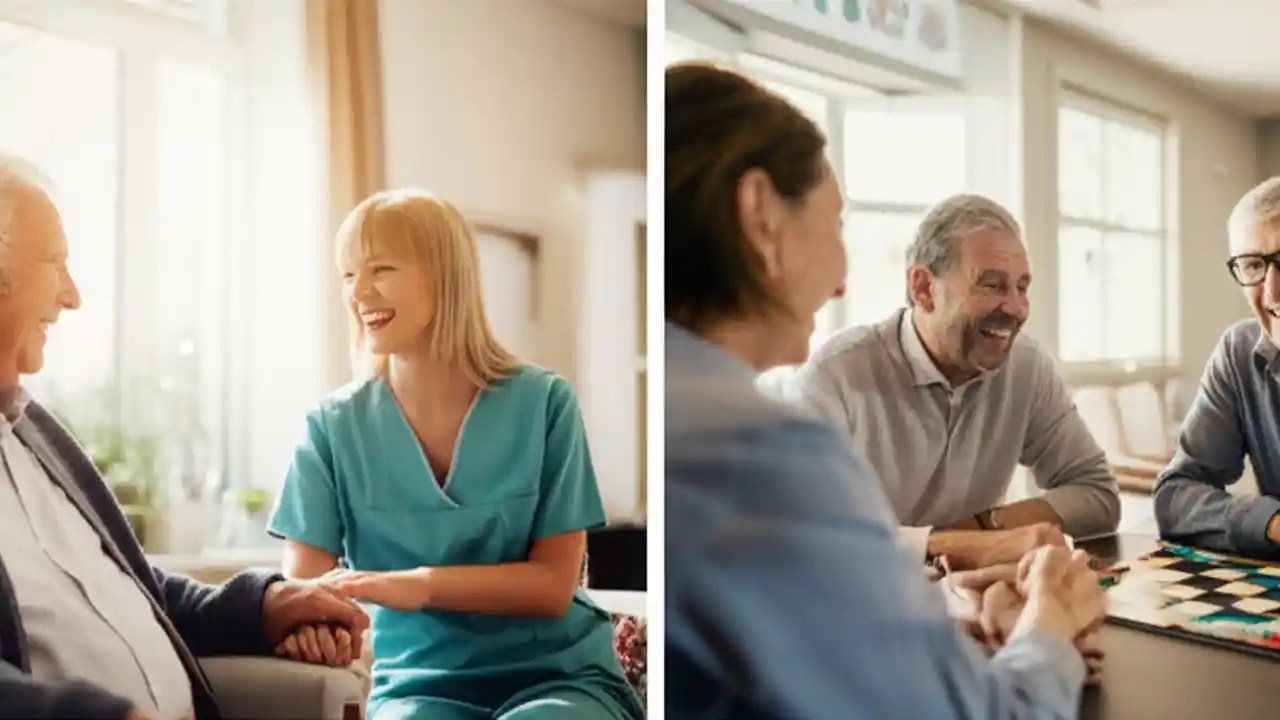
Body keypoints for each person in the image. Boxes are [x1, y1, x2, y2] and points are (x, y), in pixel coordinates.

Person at [665, 62, 1104, 718]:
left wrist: (933, 623)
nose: (843, 279)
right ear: (760, 217)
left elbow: (795, 643)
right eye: (836, 224)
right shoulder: (763, 450)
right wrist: (1051, 621)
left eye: (1023, 287)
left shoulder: (689, 420)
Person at [0, 153, 370, 720]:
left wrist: (263, 606)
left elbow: (135, 590)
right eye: (56, 262)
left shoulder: (36, 434)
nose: (72, 296)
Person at [265, 190, 644, 719]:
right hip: (417, 688)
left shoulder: (544, 403)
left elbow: (554, 585)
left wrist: (407, 585)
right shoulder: (331, 428)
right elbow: (306, 590)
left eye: (381, 268)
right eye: (349, 275)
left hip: (559, 677)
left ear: (445, 275)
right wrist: (312, 628)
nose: (360, 292)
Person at [781, 194, 1120, 569]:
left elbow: (1098, 494)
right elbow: (802, 531)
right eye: (991, 285)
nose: (1016, 308)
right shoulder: (836, 376)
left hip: (975, 608)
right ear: (923, 288)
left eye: (1021, 287)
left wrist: (983, 528)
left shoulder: (1026, 366)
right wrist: (960, 546)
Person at [1155, 177, 1280, 558]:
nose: (1272, 291)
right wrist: (1273, 523)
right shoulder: (1238, 353)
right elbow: (1175, 497)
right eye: (1254, 265)